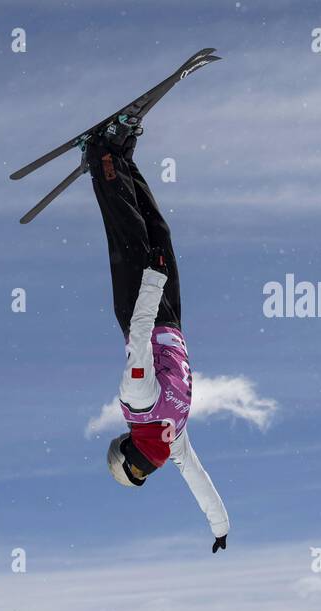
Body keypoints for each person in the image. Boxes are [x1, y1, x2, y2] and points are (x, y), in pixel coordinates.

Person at [82, 116, 230, 553]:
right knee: (157, 232)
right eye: (142, 474)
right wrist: (219, 526)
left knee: (128, 231)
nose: (148, 469)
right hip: (167, 317)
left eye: (139, 470)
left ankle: (102, 155)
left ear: (129, 453)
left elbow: (138, 335)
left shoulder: (140, 403)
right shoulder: (171, 435)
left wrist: (152, 281)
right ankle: (122, 159)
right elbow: (198, 480)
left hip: (142, 306)